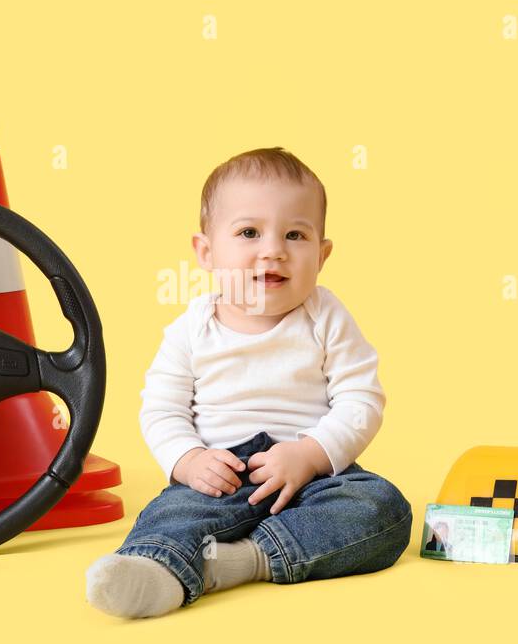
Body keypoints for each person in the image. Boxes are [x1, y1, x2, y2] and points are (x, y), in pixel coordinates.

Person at [85, 147, 411, 617]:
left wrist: (310, 454)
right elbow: (162, 408)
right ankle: (154, 568)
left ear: (322, 254)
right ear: (206, 252)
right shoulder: (191, 328)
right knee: (173, 514)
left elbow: (361, 398)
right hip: (219, 475)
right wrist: (188, 459)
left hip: (312, 473)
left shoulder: (326, 316)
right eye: (249, 232)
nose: (273, 249)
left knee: (382, 508)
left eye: (295, 234)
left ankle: (244, 560)